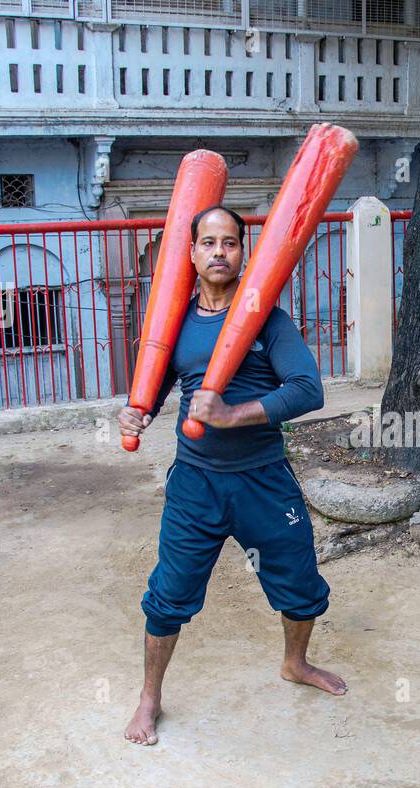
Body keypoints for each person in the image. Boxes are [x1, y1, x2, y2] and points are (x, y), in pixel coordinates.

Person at [120, 205, 346, 746]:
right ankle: (149, 697)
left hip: (263, 481)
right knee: (168, 594)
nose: (219, 252)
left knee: (298, 583)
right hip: (195, 484)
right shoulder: (172, 321)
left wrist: (232, 414)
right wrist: (139, 413)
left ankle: (296, 663)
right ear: (192, 252)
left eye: (230, 243)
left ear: (243, 252)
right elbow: (162, 388)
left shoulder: (266, 317)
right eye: (208, 242)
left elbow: (306, 388)